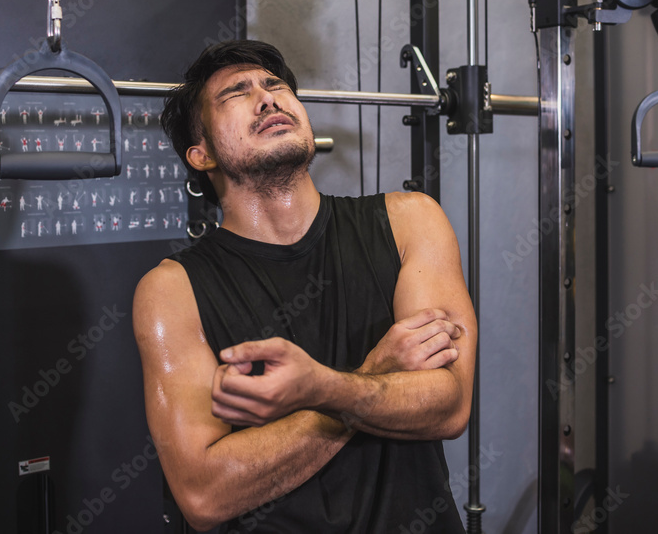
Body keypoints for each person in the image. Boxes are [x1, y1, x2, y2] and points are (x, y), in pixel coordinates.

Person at [133, 41, 477, 533]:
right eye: (236, 93)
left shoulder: (409, 222)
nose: (267, 98)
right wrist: (370, 373)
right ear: (201, 154)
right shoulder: (171, 291)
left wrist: (321, 390)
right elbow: (205, 493)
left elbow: (449, 405)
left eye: (275, 85)